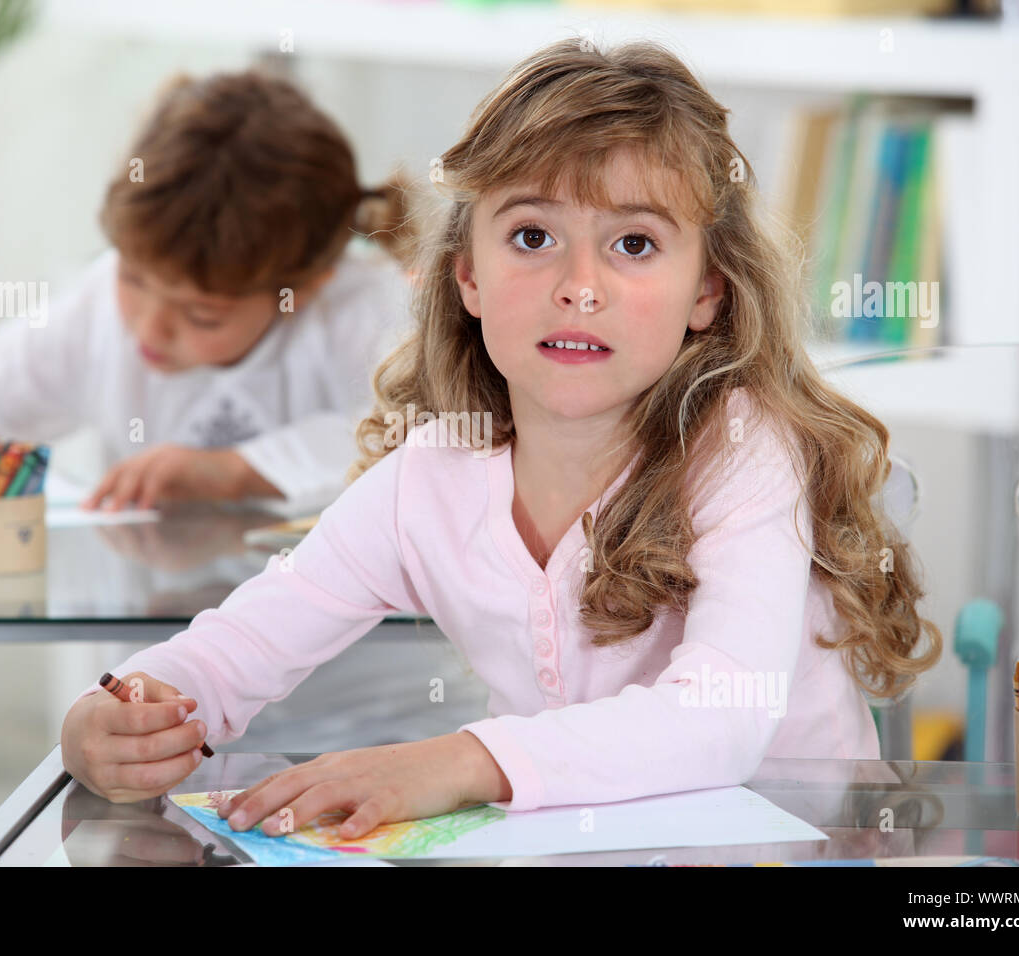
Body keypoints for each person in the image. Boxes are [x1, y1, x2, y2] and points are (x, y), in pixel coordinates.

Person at [61, 38, 943, 839]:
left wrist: (448, 760)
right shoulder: (432, 478)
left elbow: (719, 720)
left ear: (707, 293)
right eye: (532, 236)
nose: (579, 287)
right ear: (469, 276)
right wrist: (128, 713)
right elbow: (237, 649)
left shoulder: (743, 455)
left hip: (793, 849)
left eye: (634, 243)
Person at [0, 69, 418, 514]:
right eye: (133, 280)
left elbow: (426, 440)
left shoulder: (374, 314)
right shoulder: (97, 311)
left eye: (203, 315)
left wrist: (240, 470)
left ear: (308, 285)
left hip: (344, 664)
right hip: (145, 654)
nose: (148, 328)